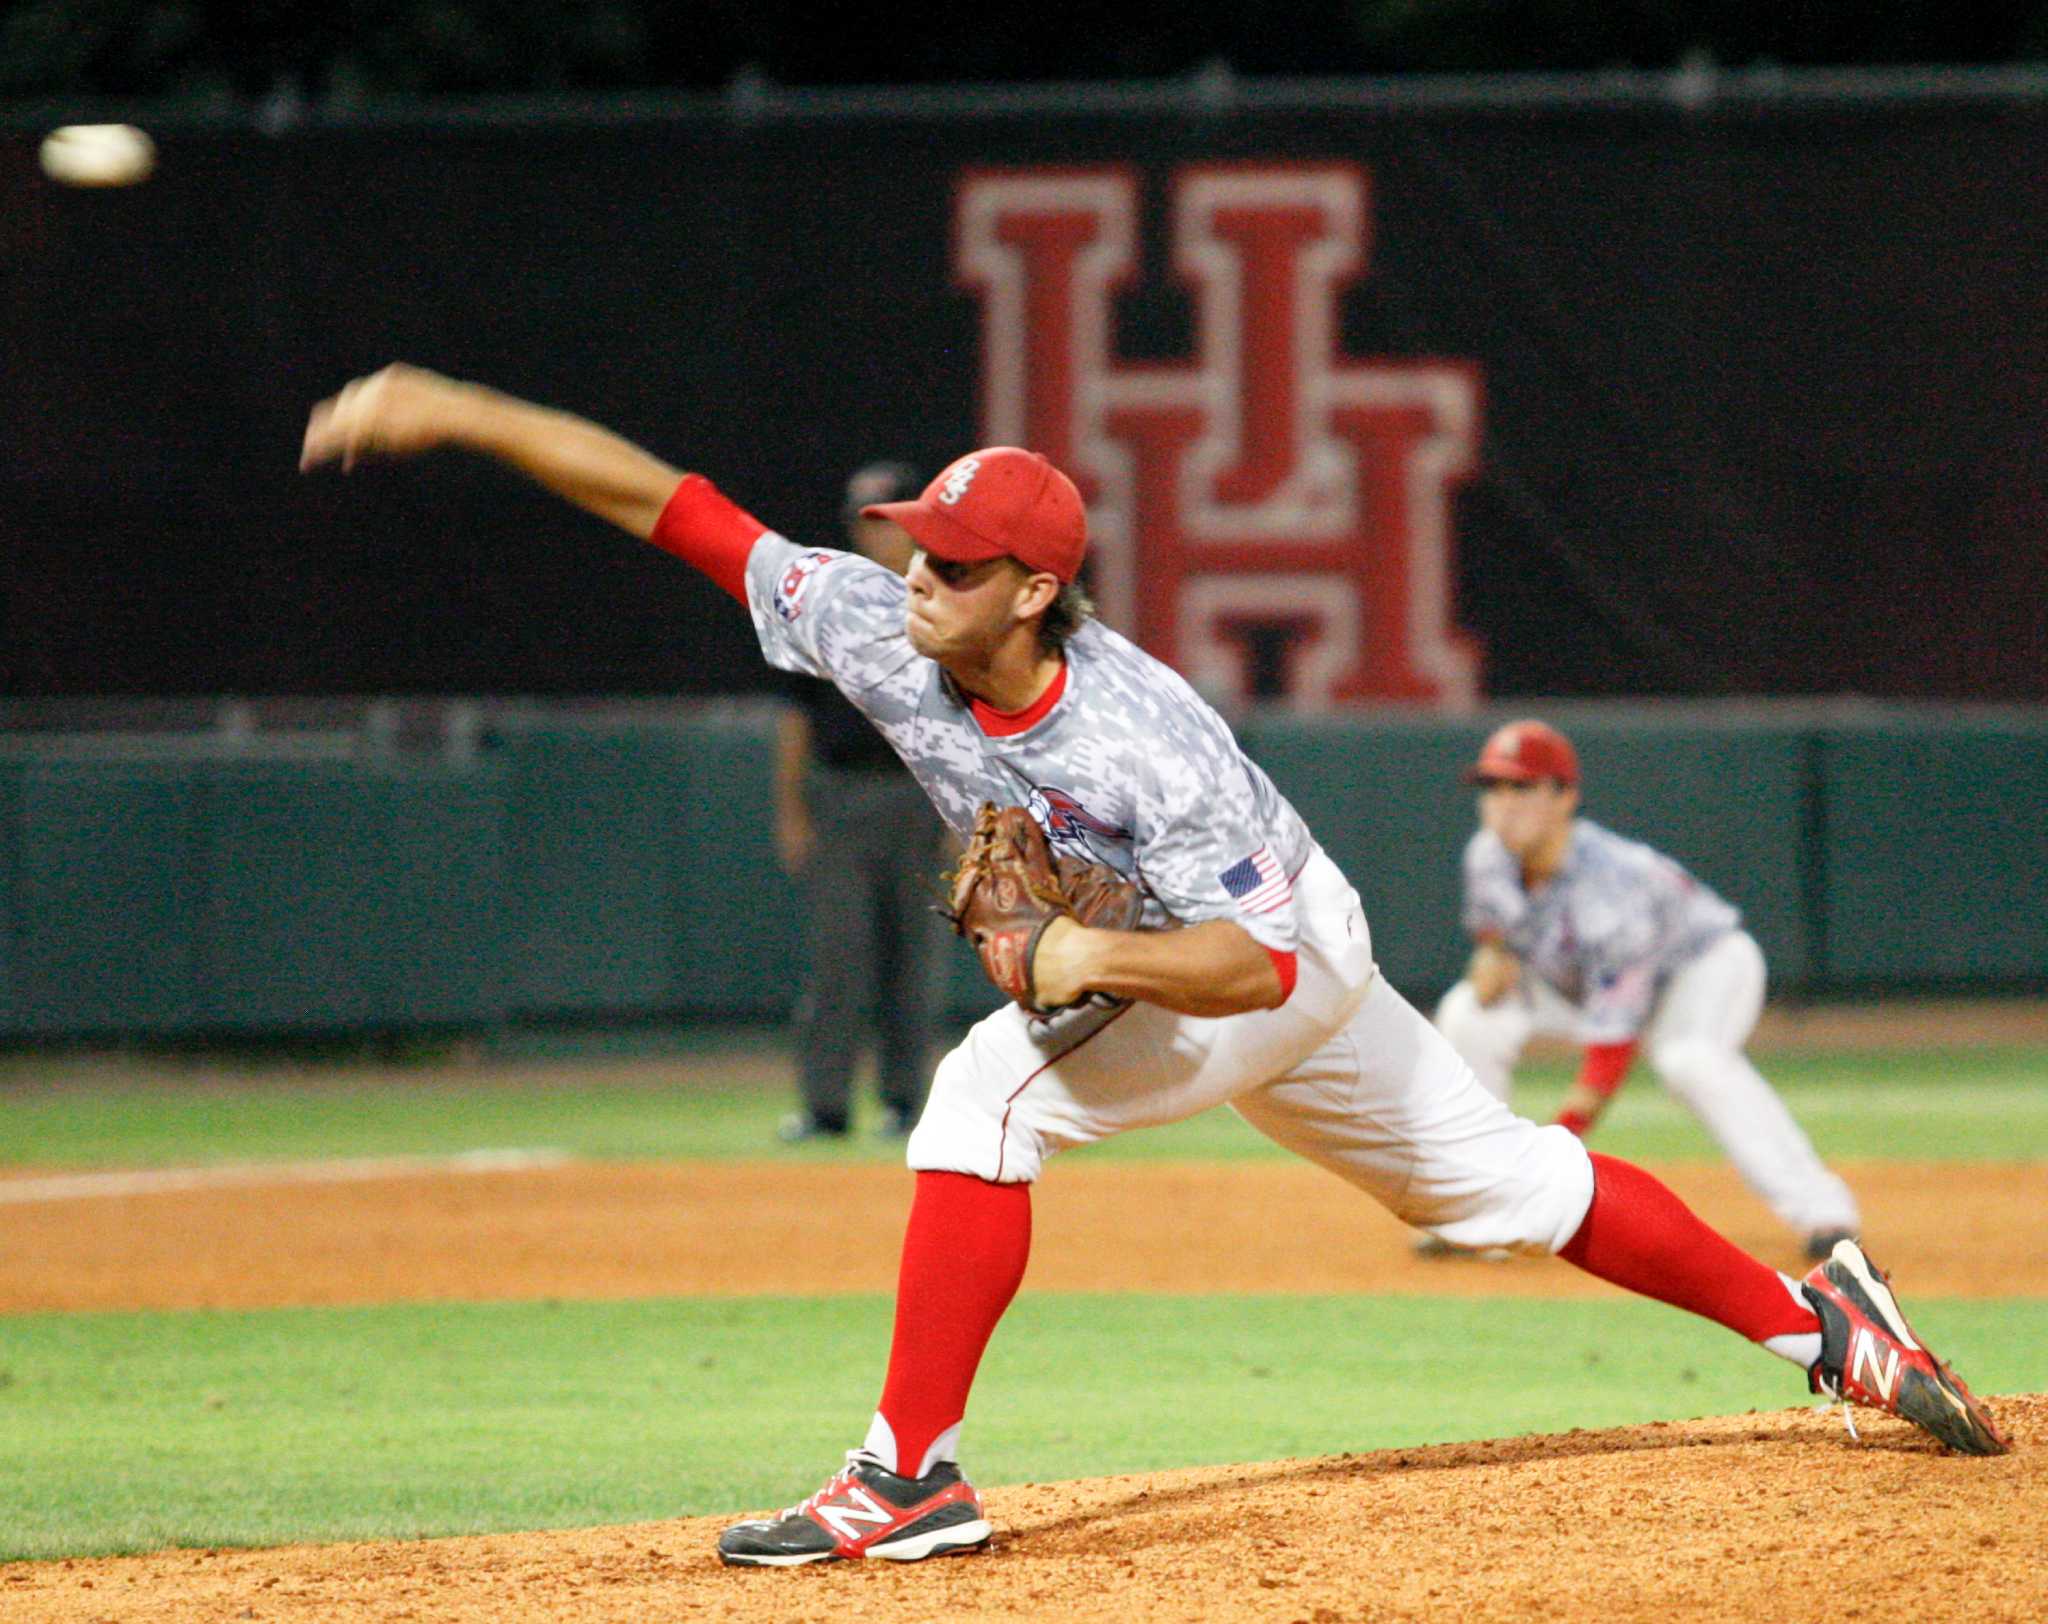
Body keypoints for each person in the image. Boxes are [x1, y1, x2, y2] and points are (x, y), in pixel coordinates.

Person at [301, 363, 2008, 1570]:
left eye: (955, 560)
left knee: (980, 1094)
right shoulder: (881, 626)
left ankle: (904, 1476)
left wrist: (1063, 944)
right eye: (914, 537)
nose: (915, 572)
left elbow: (1250, 972)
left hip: (1256, 958)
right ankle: (1826, 1329)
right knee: (1509, 1181)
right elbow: (671, 505)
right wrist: (456, 408)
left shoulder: (1139, 741)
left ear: (1038, 589)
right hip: (1258, 954)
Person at [1425, 719, 1863, 1264]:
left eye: (1522, 787)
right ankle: (1475, 1206)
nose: (1502, 803)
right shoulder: (1486, 855)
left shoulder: (1615, 886)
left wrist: (1549, 1155)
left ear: (1565, 798)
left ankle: (1825, 1212)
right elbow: (1497, 933)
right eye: (1492, 788)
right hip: (1581, 981)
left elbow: (1610, 1053)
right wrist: (1493, 952)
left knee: (1689, 1060)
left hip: (1701, 969)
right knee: (1468, 1012)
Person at [771, 461, 948, 1142]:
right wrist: (791, 812)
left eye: (888, 520)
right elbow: (795, 720)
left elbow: (966, 720)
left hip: (920, 796)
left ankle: (907, 1105)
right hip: (841, 797)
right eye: (864, 522)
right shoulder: (823, 607)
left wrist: (966, 815)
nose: (877, 535)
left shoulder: (946, 603)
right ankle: (825, 1108)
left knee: (914, 963)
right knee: (838, 963)